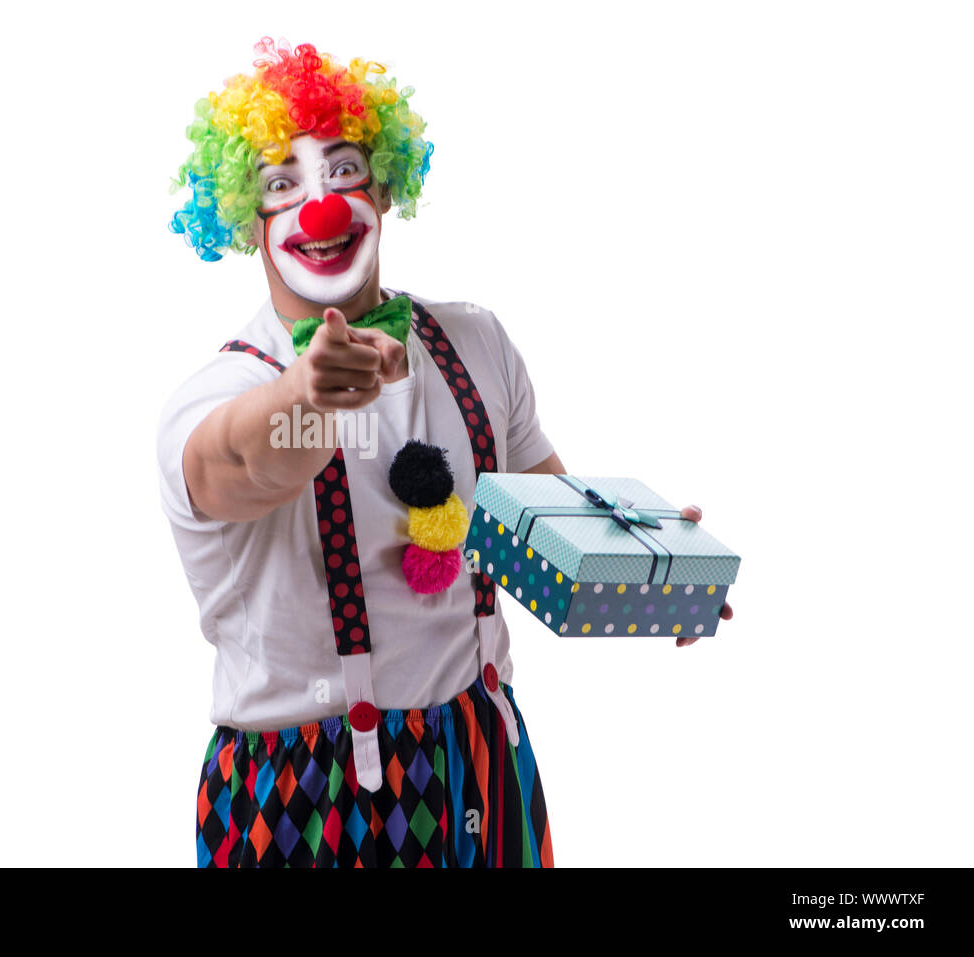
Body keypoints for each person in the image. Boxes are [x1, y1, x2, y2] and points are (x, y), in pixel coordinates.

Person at [157, 38, 732, 868]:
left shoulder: (476, 341)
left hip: (479, 753)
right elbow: (241, 465)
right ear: (247, 219)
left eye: (345, 172)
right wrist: (310, 396)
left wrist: (654, 569)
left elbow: (537, 523)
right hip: (298, 790)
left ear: (385, 187)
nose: (318, 209)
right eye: (282, 186)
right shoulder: (217, 394)